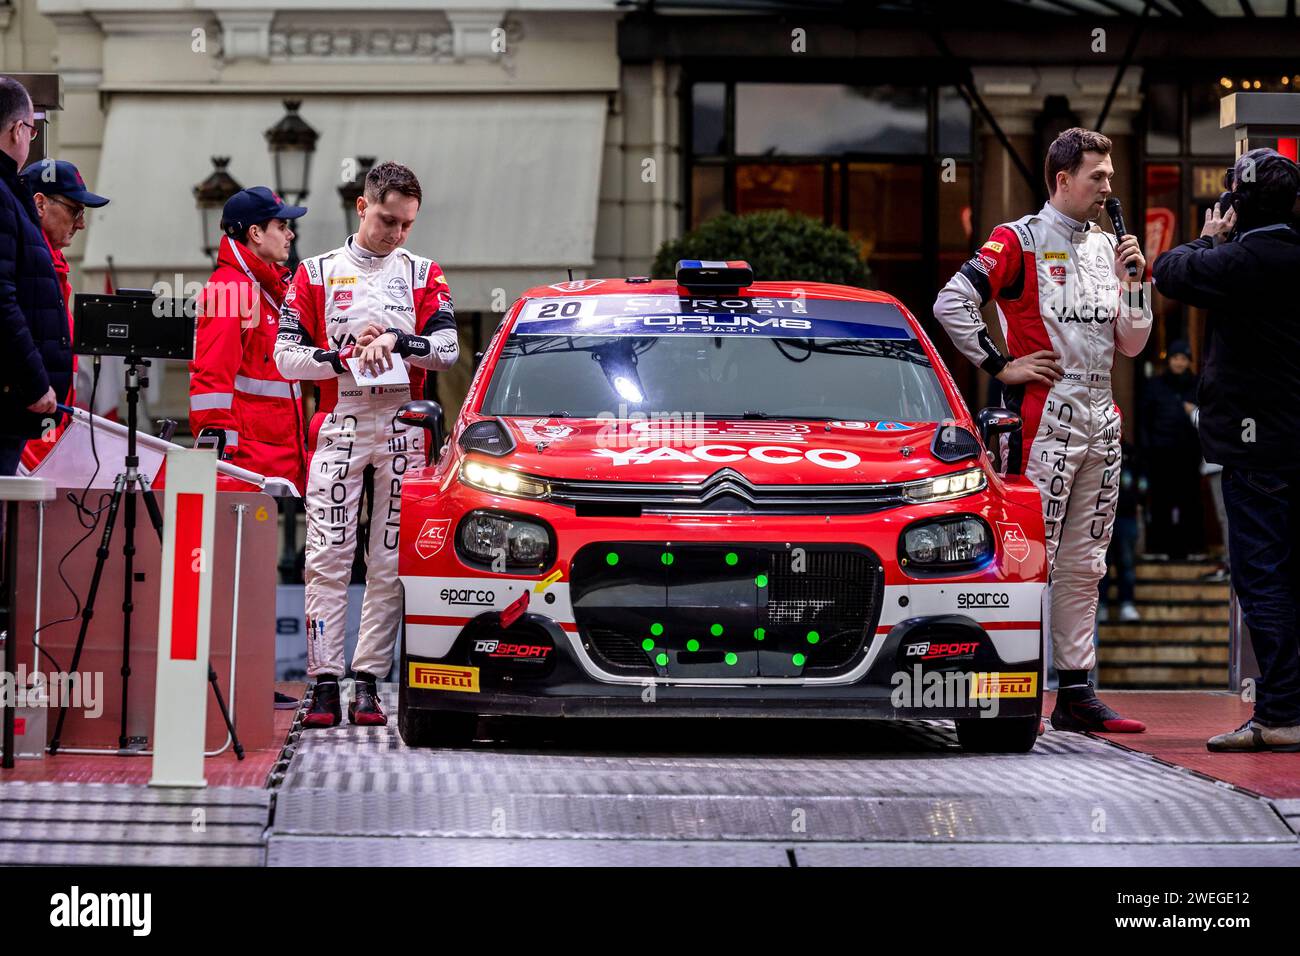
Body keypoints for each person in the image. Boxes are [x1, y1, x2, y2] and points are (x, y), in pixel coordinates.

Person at [933, 127, 1151, 733]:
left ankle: (1077, 693)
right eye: (1098, 176)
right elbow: (950, 301)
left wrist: (1137, 280)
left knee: (1088, 563)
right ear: (1062, 179)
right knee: (1033, 557)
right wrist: (1001, 364)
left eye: (1110, 176)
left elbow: (1133, 343)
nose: (1109, 187)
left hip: (1103, 417)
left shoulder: (1112, 247)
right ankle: (1016, 686)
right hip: (1042, 417)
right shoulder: (1019, 239)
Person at [275, 161, 458, 728]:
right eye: (386, 220)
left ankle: (369, 681)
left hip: (405, 423)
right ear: (361, 206)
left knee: (389, 560)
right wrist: (343, 355)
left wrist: (400, 341)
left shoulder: (424, 272)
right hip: (342, 417)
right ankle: (325, 681)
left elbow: (448, 348)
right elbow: (283, 356)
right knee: (326, 552)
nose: (396, 233)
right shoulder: (314, 272)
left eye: (406, 224)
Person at [1152, 147, 1300, 753]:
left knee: (1262, 580)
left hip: (1257, 452)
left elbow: (1168, 270)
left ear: (1236, 204)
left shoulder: (1238, 259)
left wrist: (1211, 236)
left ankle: (1282, 712)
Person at [190, 186, 308, 492]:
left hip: (268, 463)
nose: (290, 235)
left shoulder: (262, 288)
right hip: (247, 468)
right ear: (255, 233)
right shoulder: (233, 289)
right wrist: (220, 453)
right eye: (282, 227)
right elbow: (212, 377)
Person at [16, 159, 110, 468]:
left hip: (43, 427)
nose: (81, 223)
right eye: (75, 210)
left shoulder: (52, 266)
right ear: (40, 203)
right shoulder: (28, 263)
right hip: (28, 429)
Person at [0, 77, 70, 476]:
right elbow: (3, 299)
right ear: (16, 130)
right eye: (31, 129)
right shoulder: (4, 196)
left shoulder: (10, 192)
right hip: (10, 401)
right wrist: (34, 382)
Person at [1139, 340, 1203, 560]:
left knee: (1190, 500)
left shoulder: (1197, 385)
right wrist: (1147, 448)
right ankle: (1159, 548)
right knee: (1160, 500)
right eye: (1176, 358)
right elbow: (1144, 419)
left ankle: (1191, 549)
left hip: (1189, 452)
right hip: (1161, 452)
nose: (1179, 362)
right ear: (1169, 360)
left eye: (1184, 358)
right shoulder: (1155, 385)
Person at [1098, 441, 1144, 623]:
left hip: (1126, 514)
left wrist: (1137, 502)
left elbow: (1142, 481)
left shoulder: (1131, 453)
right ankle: (1101, 604)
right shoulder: (1097, 447)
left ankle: (1126, 603)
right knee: (1101, 563)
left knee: (1126, 562)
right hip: (1100, 514)